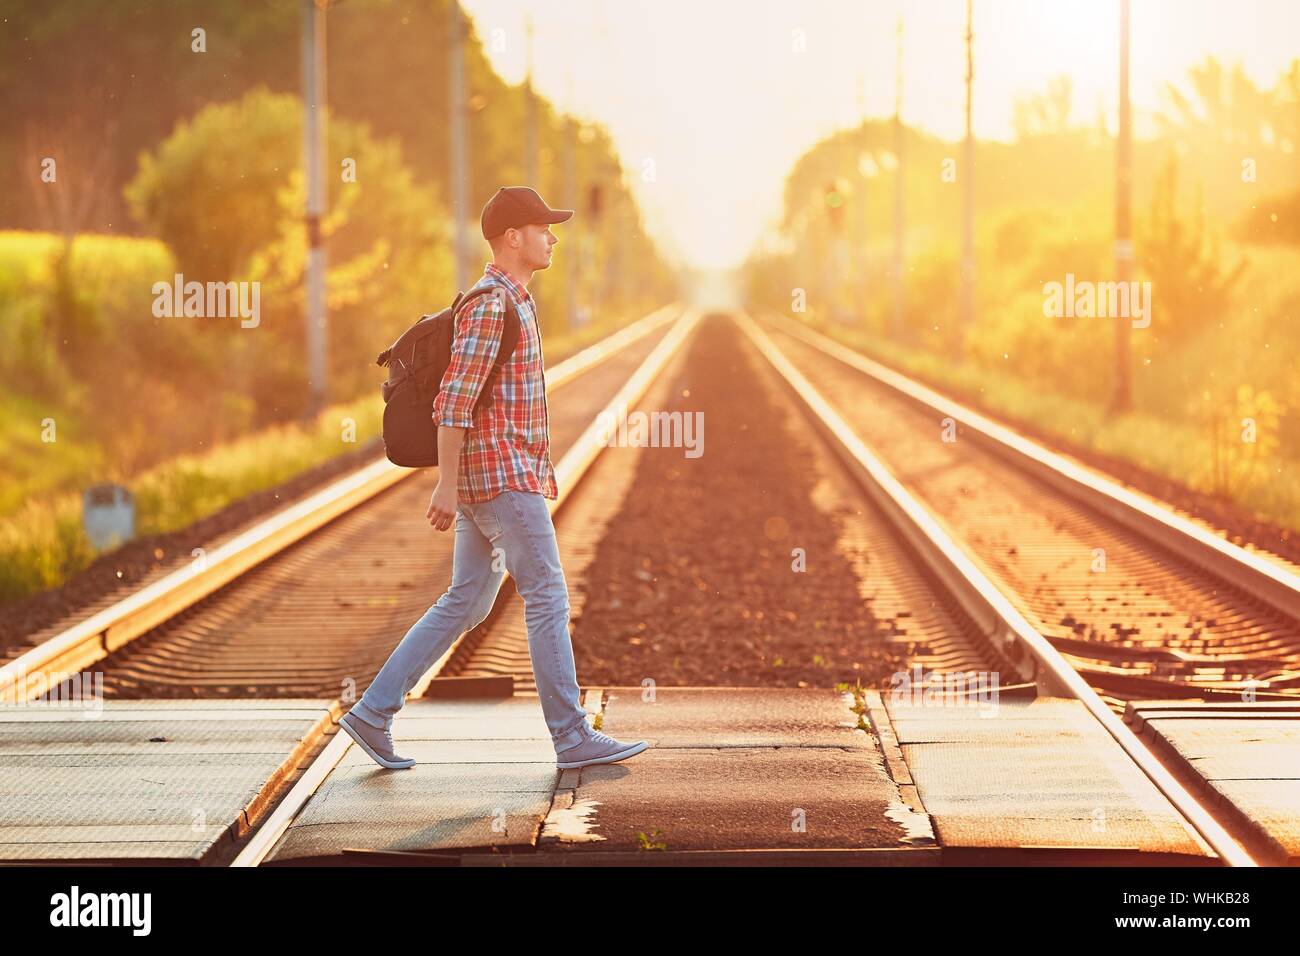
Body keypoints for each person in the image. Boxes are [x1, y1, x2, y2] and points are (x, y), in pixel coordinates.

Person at [339, 186, 648, 772]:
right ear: (512, 237)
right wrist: (445, 486)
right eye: (543, 229)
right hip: (501, 478)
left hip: (496, 475)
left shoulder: (515, 301)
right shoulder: (491, 306)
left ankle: (373, 712)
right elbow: (453, 403)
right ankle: (571, 736)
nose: (552, 238)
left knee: (467, 600)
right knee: (547, 594)